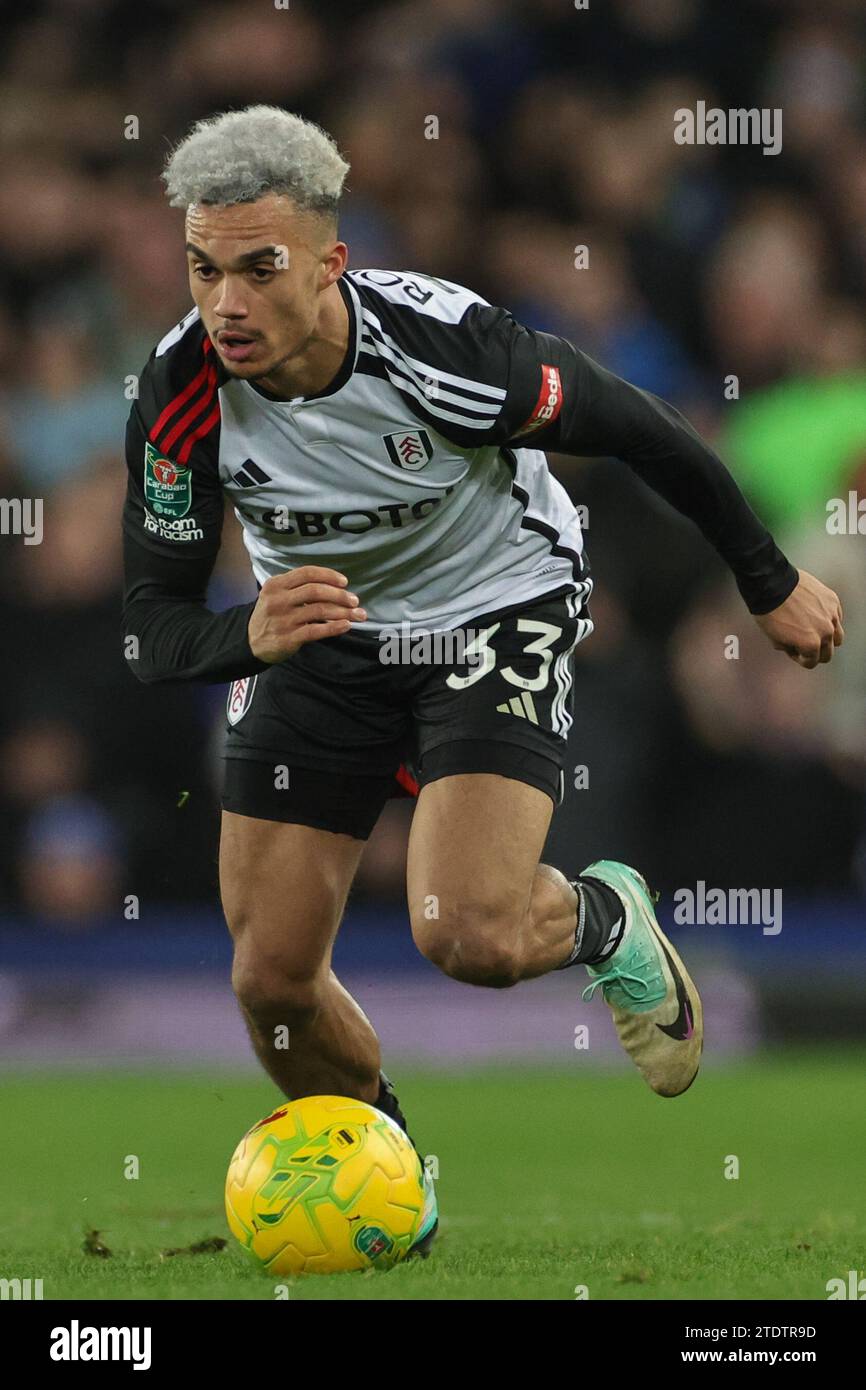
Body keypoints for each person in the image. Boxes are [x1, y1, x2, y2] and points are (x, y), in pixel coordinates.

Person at [121, 106, 844, 1257]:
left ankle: (606, 915)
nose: (228, 305)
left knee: (469, 934)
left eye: (260, 270)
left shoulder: (447, 351)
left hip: (489, 612)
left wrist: (765, 583)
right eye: (206, 271)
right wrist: (242, 634)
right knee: (268, 981)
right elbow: (148, 630)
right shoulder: (176, 397)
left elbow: (644, 431)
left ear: (329, 263)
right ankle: (392, 1188)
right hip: (315, 639)